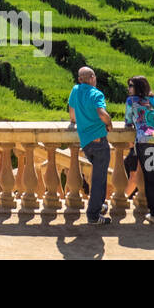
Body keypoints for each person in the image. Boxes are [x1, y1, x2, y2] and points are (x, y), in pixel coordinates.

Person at [68, 66, 113, 225]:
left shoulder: (75, 89)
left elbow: (72, 115)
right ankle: (93, 215)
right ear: (93, 78)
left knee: (98, 178)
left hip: (86, 142)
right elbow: (102, 113)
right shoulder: (96, 94)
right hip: (99, 141)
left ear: (80, 79)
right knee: (99, 180)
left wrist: (77, 121)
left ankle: (99, 206)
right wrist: (109, 122)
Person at [125, 76, 154, 224]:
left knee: (151, 181)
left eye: (130, 85)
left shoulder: (131, 101)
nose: (128, 88)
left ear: (137, 87)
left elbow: (128, 121)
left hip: (147, 142)